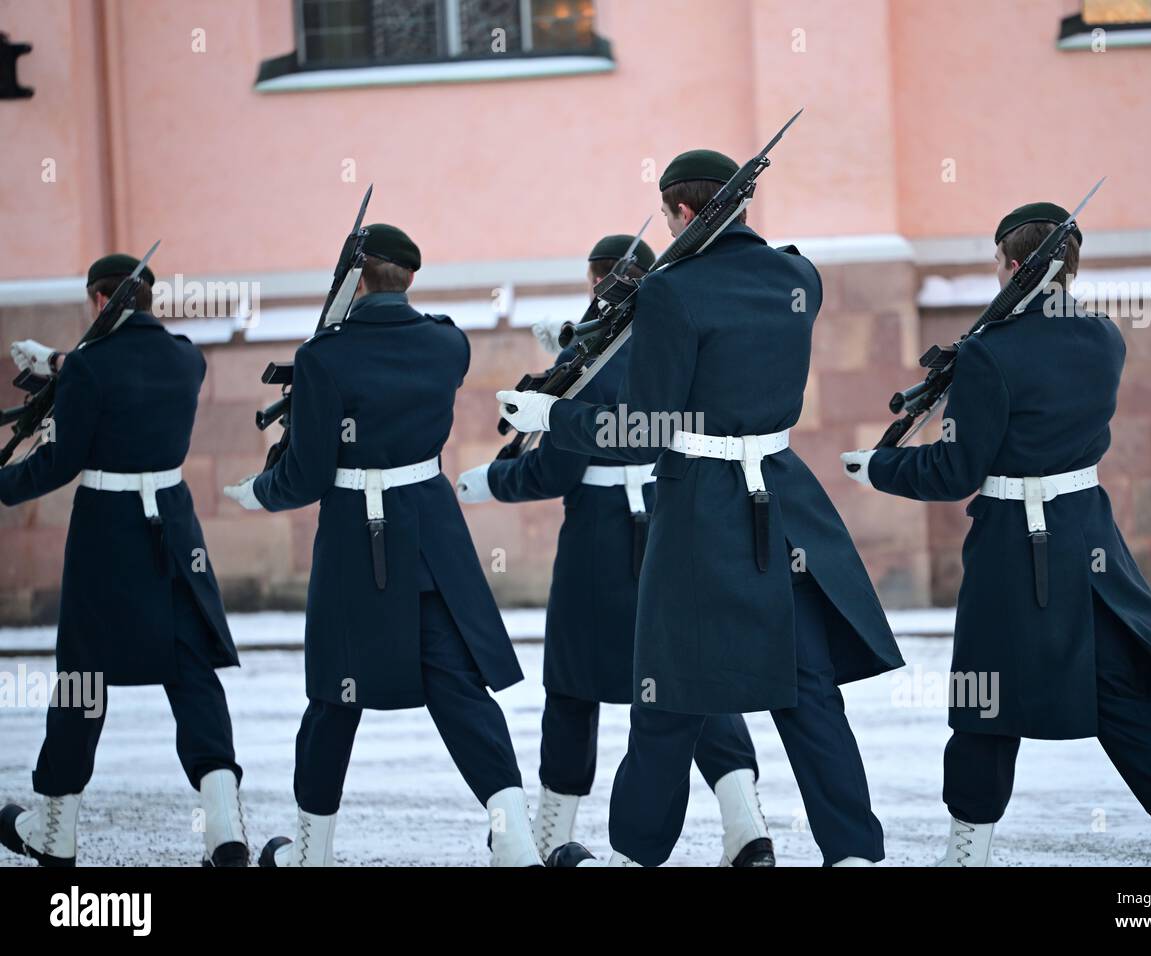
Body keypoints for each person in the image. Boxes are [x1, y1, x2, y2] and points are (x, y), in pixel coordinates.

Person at [498, 150, 904, 867]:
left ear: (684, 213)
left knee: (667, 697)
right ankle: (853, 855)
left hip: (700, 507)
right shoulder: (797, 274)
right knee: (809, 697)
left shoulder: (671, 291)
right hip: (783, 496)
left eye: (666, 215)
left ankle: (635, 854)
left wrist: (553, 413)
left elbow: (646, 427)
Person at [842, 202, 1151, 867]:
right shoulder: (1102, 337)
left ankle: (966, 856)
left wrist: (879, 467)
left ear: (1014, 266)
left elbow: (954, 470)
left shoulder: (990, 354)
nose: (993, 274)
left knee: (985, 703)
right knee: (1118, 694)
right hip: (1086, 535)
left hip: (1011, 547)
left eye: (998, 263)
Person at [223, 224, 540, 867]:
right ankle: (514, 840)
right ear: (409, 278)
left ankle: (312, 851)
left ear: (355, 281)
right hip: (429, 532)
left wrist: (260, 492)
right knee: (460, 691)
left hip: (353, 538)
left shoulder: (323, 358)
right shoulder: (448, 345)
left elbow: (306, 475)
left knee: (335, 700)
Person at [458, 234, 773, 866]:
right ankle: (746, 824)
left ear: (597, 282)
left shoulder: (589, 355)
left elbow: (552, 473)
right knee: (692, 676)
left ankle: (549, 835)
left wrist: (490, 481)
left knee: (572, 683)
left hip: (600, 535)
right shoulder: (679, 335)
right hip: (674, 516)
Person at [0, 253, 248, 867]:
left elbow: (59, 461)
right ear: (149, 299)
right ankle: (225, 827)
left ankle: (55, 829)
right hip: (172, 526)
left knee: (84, 677)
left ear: (97, 300)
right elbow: (128, 371)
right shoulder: (187, 358)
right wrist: (60, 362)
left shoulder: (91, 367)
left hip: (106, 534)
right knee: (191, 668)